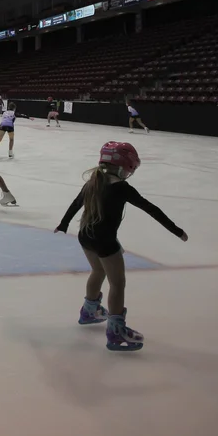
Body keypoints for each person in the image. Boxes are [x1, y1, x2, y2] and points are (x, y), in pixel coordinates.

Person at [54, 141, 187, 351]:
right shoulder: (121, 187)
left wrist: (63, 224)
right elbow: (150, 208)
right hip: (105, 241)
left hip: (85, 237)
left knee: (97, 271)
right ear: (125, 167)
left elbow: (75, 204)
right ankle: (116, 332)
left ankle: (89, 312)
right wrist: (176, 230)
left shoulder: (93, 181)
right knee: (117, 283)